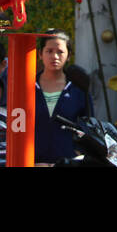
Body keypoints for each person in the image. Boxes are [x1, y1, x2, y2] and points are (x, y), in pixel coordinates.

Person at [34, 31, 95, 165]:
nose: (54, 56)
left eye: (60, 52)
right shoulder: (28, 87)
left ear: (68, 56)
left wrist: (78, 153)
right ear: (40, 54)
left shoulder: (78, 90)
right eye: (49, 51)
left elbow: (88, 127)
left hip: (68, 162)